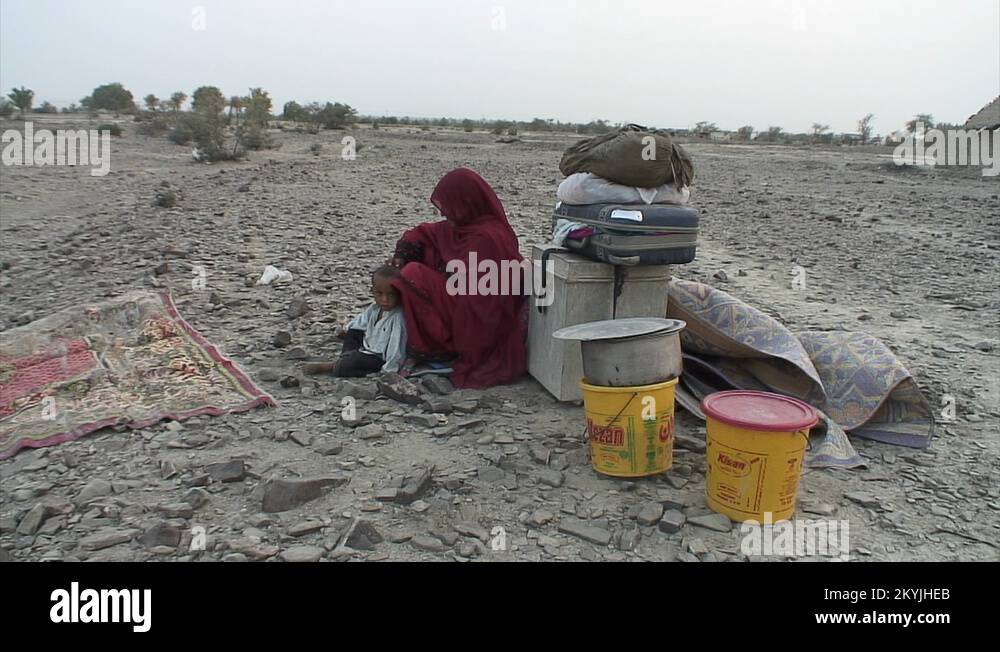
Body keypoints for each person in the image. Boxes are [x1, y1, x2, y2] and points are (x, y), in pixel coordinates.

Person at [387, 167, 527, 389]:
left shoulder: (486, 238)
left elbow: (484, 305)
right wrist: (402, 255)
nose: (444, 214)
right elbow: (425, 232)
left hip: (476, 322)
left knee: (413, 275)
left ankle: (440, 347)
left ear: (465, 203)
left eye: (448, 208)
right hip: (462, 302)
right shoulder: (465, 227)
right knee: (406, 270)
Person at [302, 266, 407, 377]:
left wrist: (389, 370)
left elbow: (396, 349)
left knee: (352, 363)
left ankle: (333, 365)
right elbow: (360, 322)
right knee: (353, 332)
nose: (384, 299)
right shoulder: (374, 308)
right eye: (379, 294)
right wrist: (346, 330)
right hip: (366, 346)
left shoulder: (398, 317)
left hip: (378, 357)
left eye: (391, 294)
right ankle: (345, 358)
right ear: (372, 291)